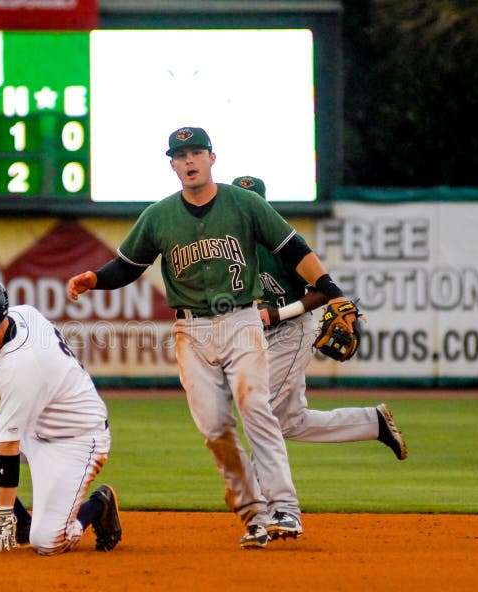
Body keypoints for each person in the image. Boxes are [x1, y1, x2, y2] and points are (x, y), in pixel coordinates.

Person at [67, 126, 358, 549]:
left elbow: (295, 250)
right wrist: (94, 278)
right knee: (215, 428)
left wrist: (334, 293)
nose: (189, 161)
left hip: (241, 321)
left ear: (211, 158)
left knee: (255, 406)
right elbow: (128, 266)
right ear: (172, 164)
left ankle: (286, 509)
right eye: (180, 155)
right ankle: (255, 516)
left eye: (196, 153)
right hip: (191, 330)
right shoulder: (159, 215)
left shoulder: (245, 204)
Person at [0, 275, 121, 555]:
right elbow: (8, 344)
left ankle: (97, 506)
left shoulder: (21, 368)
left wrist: (2, 515)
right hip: (37, 423)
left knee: (47, 543)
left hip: (74, 440)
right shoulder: (22, 313)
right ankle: (23, 523)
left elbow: (7, 447)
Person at [231, 175, 407, 459]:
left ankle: (258, 495)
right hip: (256, 336)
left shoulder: (282, 242)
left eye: (252, 205)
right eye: (239, 204)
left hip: (291, 332)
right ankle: (372, 422)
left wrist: (278, 314)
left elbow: (321, 292)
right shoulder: (224, 246)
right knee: (291, 421)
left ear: (263, 208)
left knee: (261, 412)